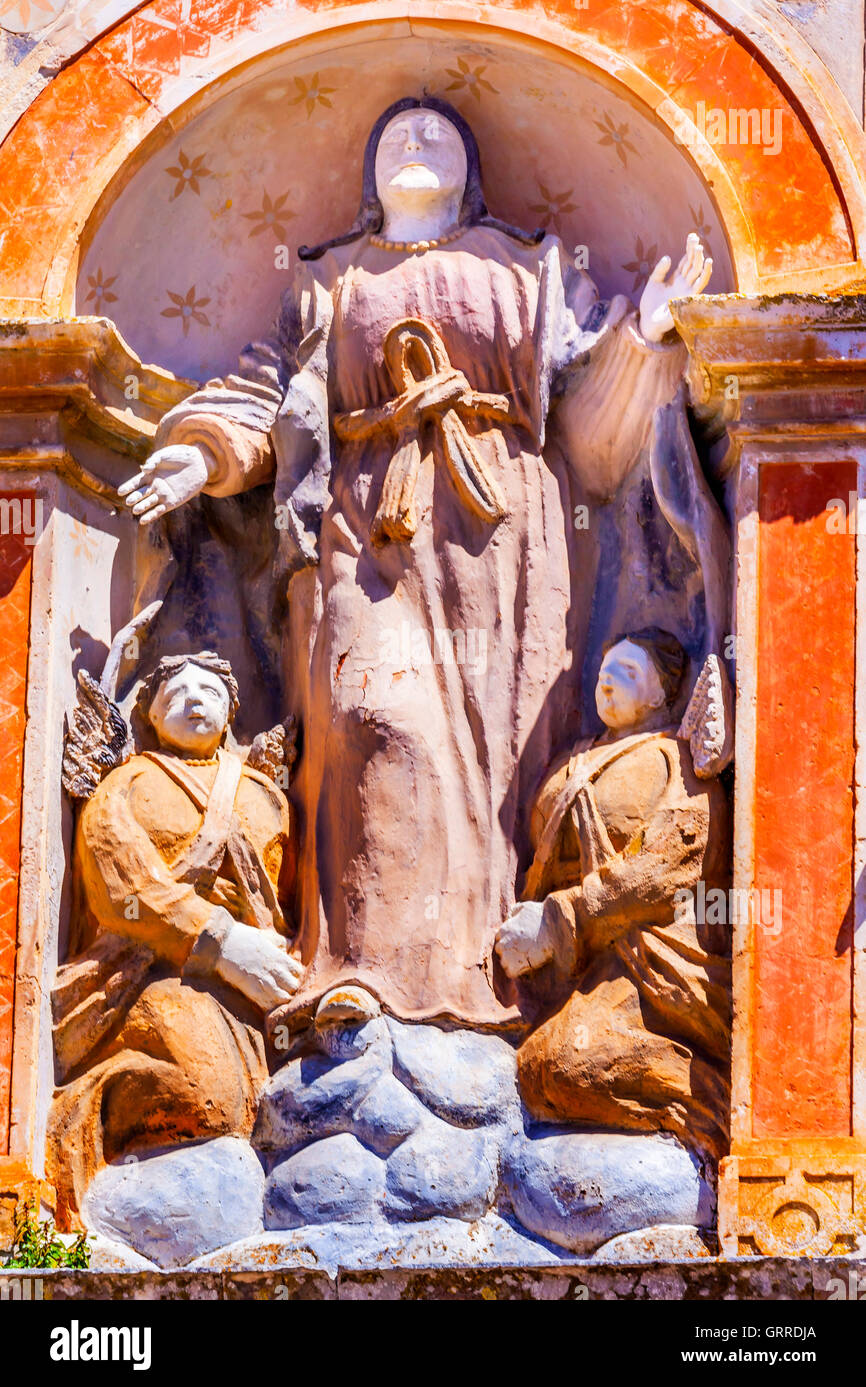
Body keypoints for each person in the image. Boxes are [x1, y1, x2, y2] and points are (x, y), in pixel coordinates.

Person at [119, 97, 712, 1031]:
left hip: (499, 535)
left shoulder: (531, 268)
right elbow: (264, 394)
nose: (418, 140)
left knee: (494, 753)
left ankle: (482, 985)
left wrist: (642, 334)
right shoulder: (326, 280)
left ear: (470, 166)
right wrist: (205, 454)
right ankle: (358, 974)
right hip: (363, 531)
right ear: (369, 174)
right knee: (369, 720)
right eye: (396, 132)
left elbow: (593, 423)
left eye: (437, 132)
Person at [48, 652, 300, 1225]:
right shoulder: (128, 783)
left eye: (209, 690)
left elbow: (286, 894)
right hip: (153, 974)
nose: (193, 701)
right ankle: (86, 1113)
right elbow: (121, 885)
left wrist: (269, 944)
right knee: (209, 1089)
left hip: (261, 984)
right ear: (150, 717)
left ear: (232, 708)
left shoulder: (267, 796)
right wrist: (221, 940)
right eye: (175, 694)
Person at [496, 631, 731, 1158]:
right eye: (603, 668)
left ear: (658, 695)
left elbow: (664, 869)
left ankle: (706, 1114)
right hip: (567, 960)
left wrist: (559, 922)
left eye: (626, 671)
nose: (606, 679)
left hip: (645, 956)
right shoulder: (573, 759)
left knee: (565, 1064)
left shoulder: (676, 762)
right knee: (533, 1065)